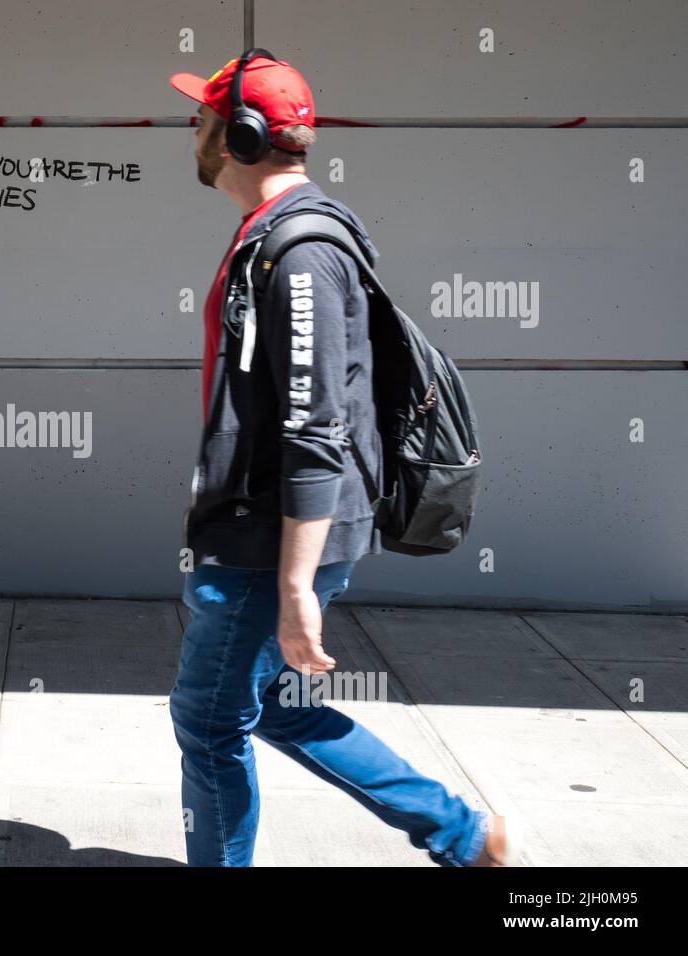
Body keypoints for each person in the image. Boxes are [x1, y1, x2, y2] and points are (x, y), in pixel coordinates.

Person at [165, 50, 523, 867]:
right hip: (262, 527)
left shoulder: (301, 253)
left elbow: (314, 423)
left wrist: (295, 583)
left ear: (242, 135)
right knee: (278, 706)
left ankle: (464, 835)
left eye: (204, 116)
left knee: (210, 721)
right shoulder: (275, 238)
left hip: (273, 539)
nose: (194, 127)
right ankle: (467, 836)